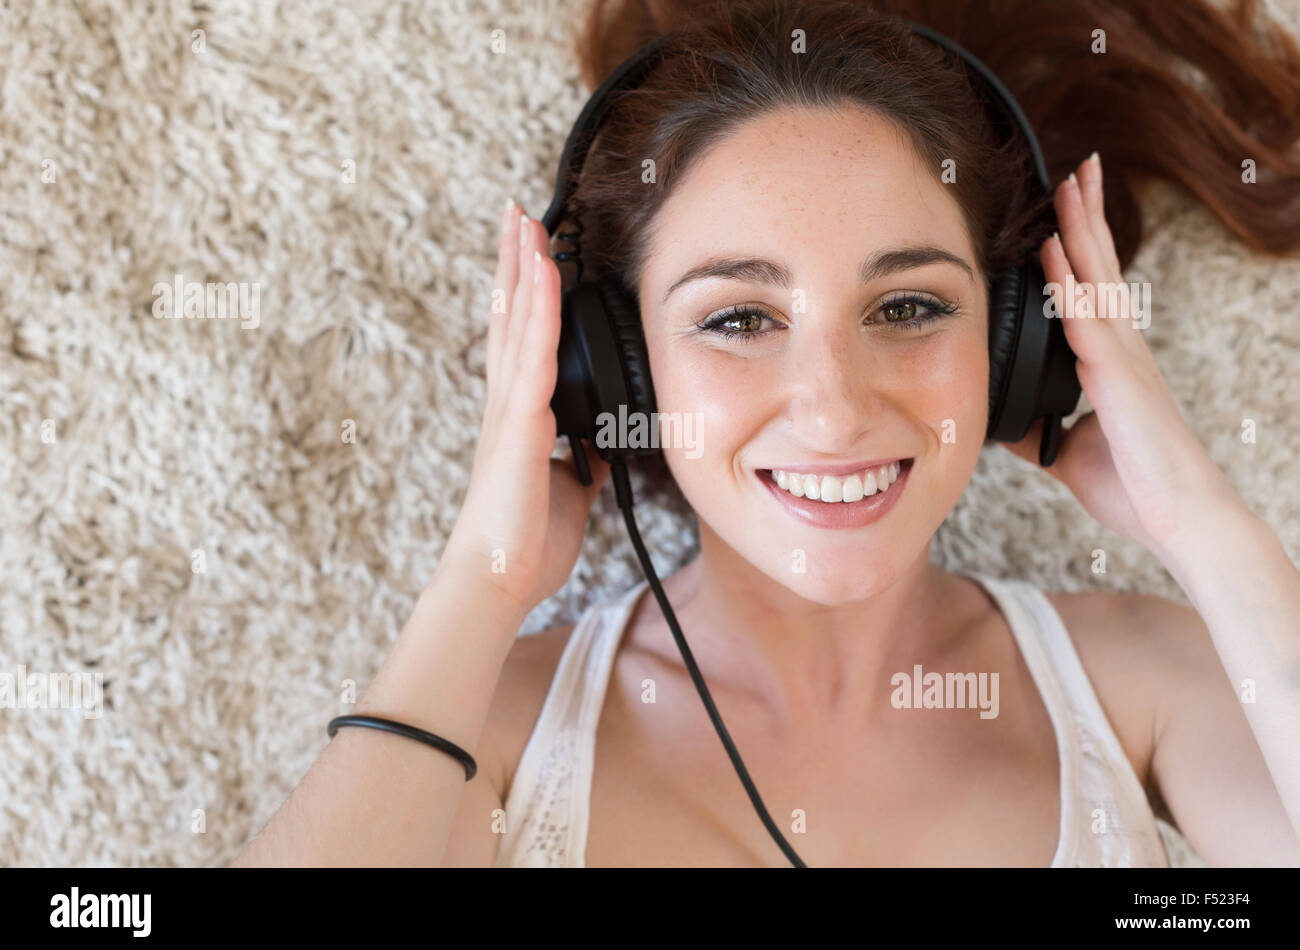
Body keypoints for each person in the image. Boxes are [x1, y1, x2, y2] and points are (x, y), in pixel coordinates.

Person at [234, 0, 1300, 867]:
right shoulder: (492, 735)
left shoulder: (1141, 682)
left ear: (1025, 349)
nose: (833, 409)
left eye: (908, 307)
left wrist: (1203, 523)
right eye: (738, 319)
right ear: (609, 363)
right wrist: (481, 579)